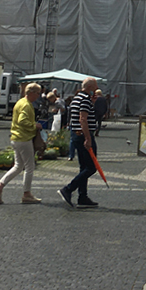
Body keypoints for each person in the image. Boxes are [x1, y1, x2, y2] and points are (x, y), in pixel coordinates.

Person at [0, 82, 43, 205]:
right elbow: (22, 120)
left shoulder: (20, 102)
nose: (38, 96)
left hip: (16, 138)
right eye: (37, 93)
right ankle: (27, 194)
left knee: (18, 166)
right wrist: (34, 126)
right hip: (24, 138)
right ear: (32, 93)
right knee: (29, 167)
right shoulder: (26, 105)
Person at [58, 77, 100, 208]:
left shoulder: (76, 98)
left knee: (84, 166)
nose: (96, 89)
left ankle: (83, 196)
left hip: (76, 134)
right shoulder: (85, 99)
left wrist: (92, 103)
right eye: (95, 86)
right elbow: (83, 119)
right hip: (83, 135)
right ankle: (68, 189)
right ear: (90, 87)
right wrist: (88, 138)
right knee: (92, 167)